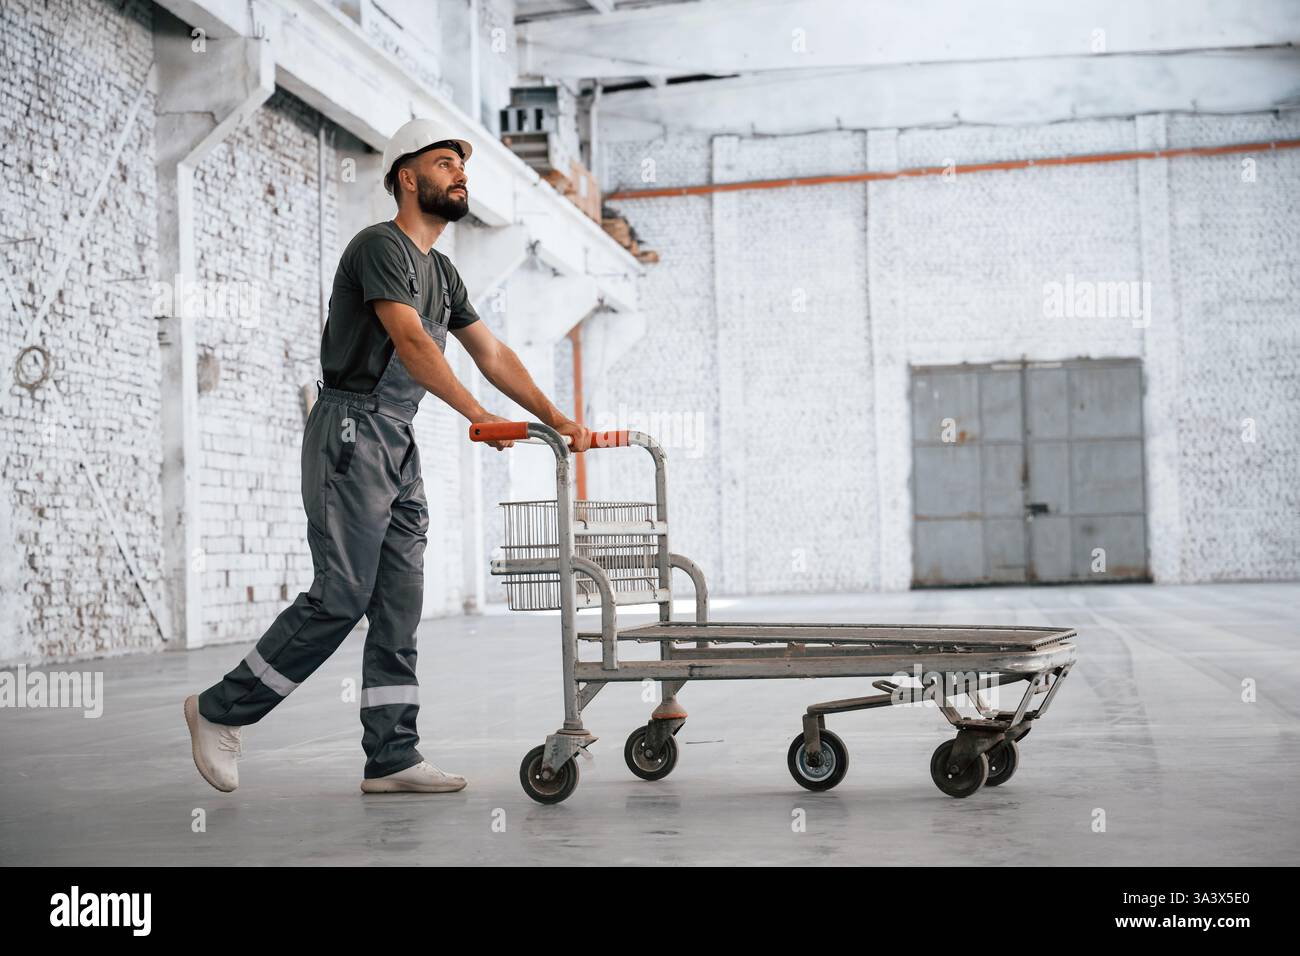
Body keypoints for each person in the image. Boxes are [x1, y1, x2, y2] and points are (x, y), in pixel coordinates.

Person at [184, 119, 592, 794]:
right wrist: (479, 415)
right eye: (443, 163)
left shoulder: (443, 271)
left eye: (462, 165)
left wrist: (555, 417)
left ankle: (392, 755)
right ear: (407, 176)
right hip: (350, 431)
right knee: (341, 594)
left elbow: (490, 353)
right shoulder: (380, 247)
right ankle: (219, 711)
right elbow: (411, 342)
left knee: (399, 603)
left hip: (396, 438)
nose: (459, 173)